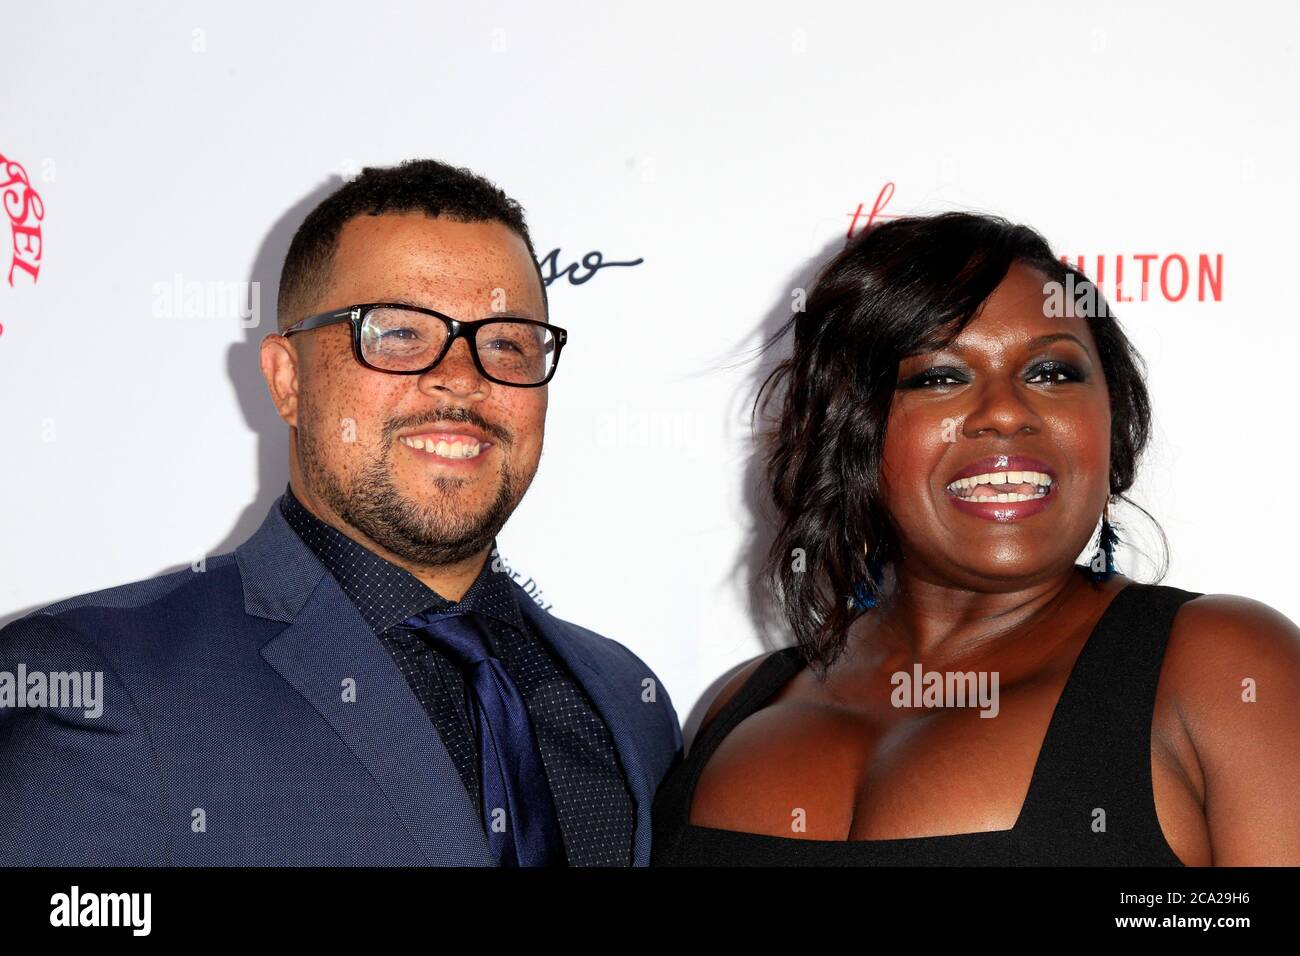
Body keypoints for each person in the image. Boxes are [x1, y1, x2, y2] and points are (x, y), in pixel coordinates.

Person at [0, 159, 682, 866]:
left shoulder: (626, 705)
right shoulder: (101, 689)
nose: (461, 376)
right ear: (286, 380)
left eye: (507, 342)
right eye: (397, 334)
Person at [652, 211, 1300, 866]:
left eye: (1052, 372)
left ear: (1113, 420)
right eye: (940, 377)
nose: (1007, 412)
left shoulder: (1225, 668)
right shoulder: (739, 705)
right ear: (850, 432)